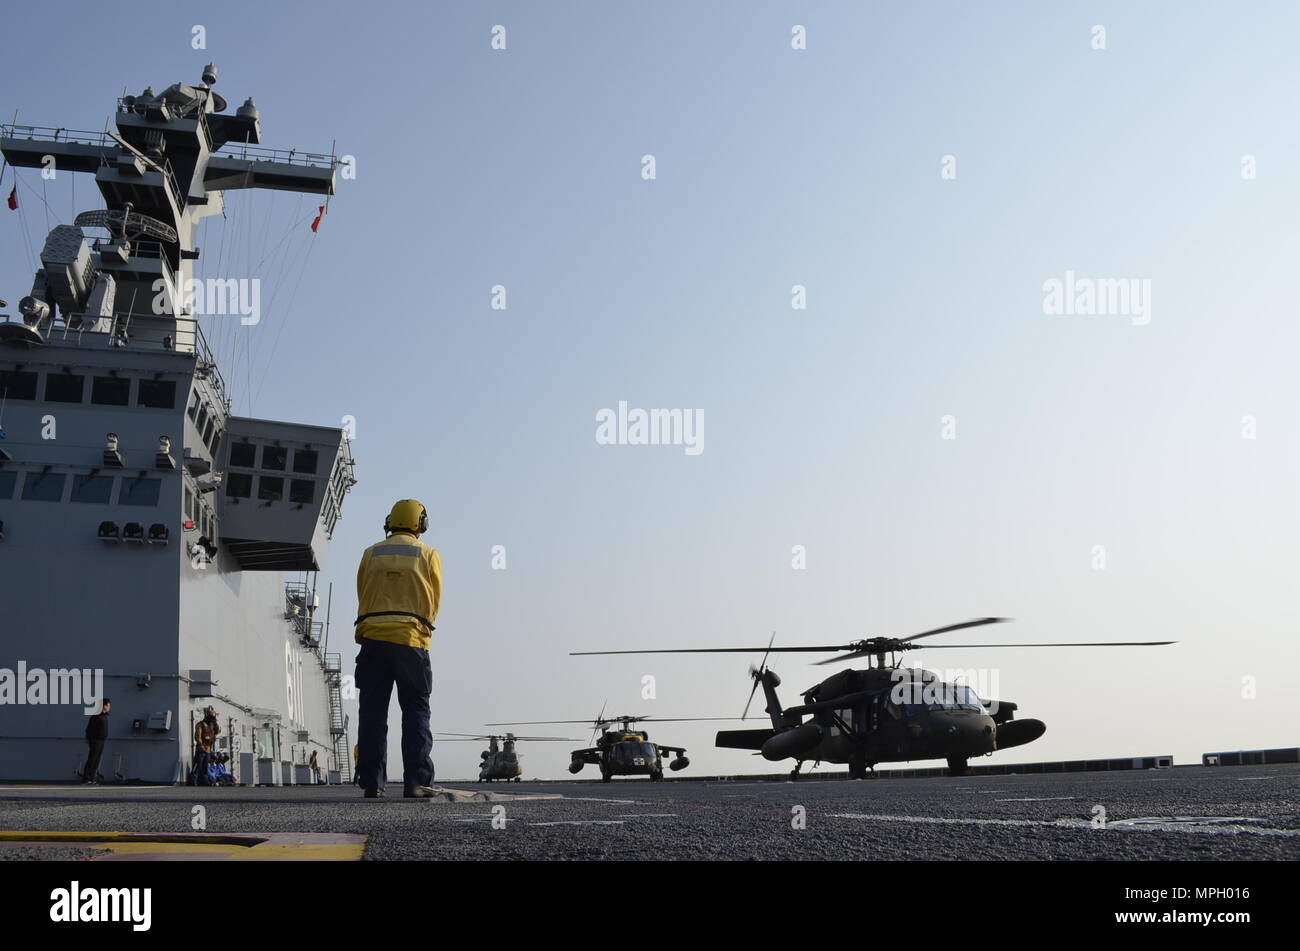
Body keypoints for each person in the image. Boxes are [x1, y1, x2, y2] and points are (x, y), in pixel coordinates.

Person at [354, 499, 442, 799]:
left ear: (390, 521)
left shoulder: (371, 553)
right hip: (411, 640)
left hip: (373, 639)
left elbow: (361, 590)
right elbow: (435, 600)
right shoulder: (428, 554)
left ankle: (371, 783)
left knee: (372, 713)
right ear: (422, 523)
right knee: (416, 709)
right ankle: (417, 782)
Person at [83, 698, 111, 784]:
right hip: (95, 740)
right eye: (108, 705)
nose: (109, 707)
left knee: (97, 760)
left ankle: (92, 778)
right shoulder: (97, 715)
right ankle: (86, 778)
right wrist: (88, 738)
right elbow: (89, 728)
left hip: (101, 741)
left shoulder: (104, 716)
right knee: (92, 759)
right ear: (104, 706)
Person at [193, 706, 220, 786]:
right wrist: (201, 745)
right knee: (199, 766)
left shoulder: (211, 726)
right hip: (201, 749)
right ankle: (196, 780)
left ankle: (203, 781)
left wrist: (215, 723)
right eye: (211, 718)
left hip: (208, 750)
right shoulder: (200, 725)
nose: (212, 720)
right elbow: (198, 736)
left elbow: (217, 731)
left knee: (205, 767)